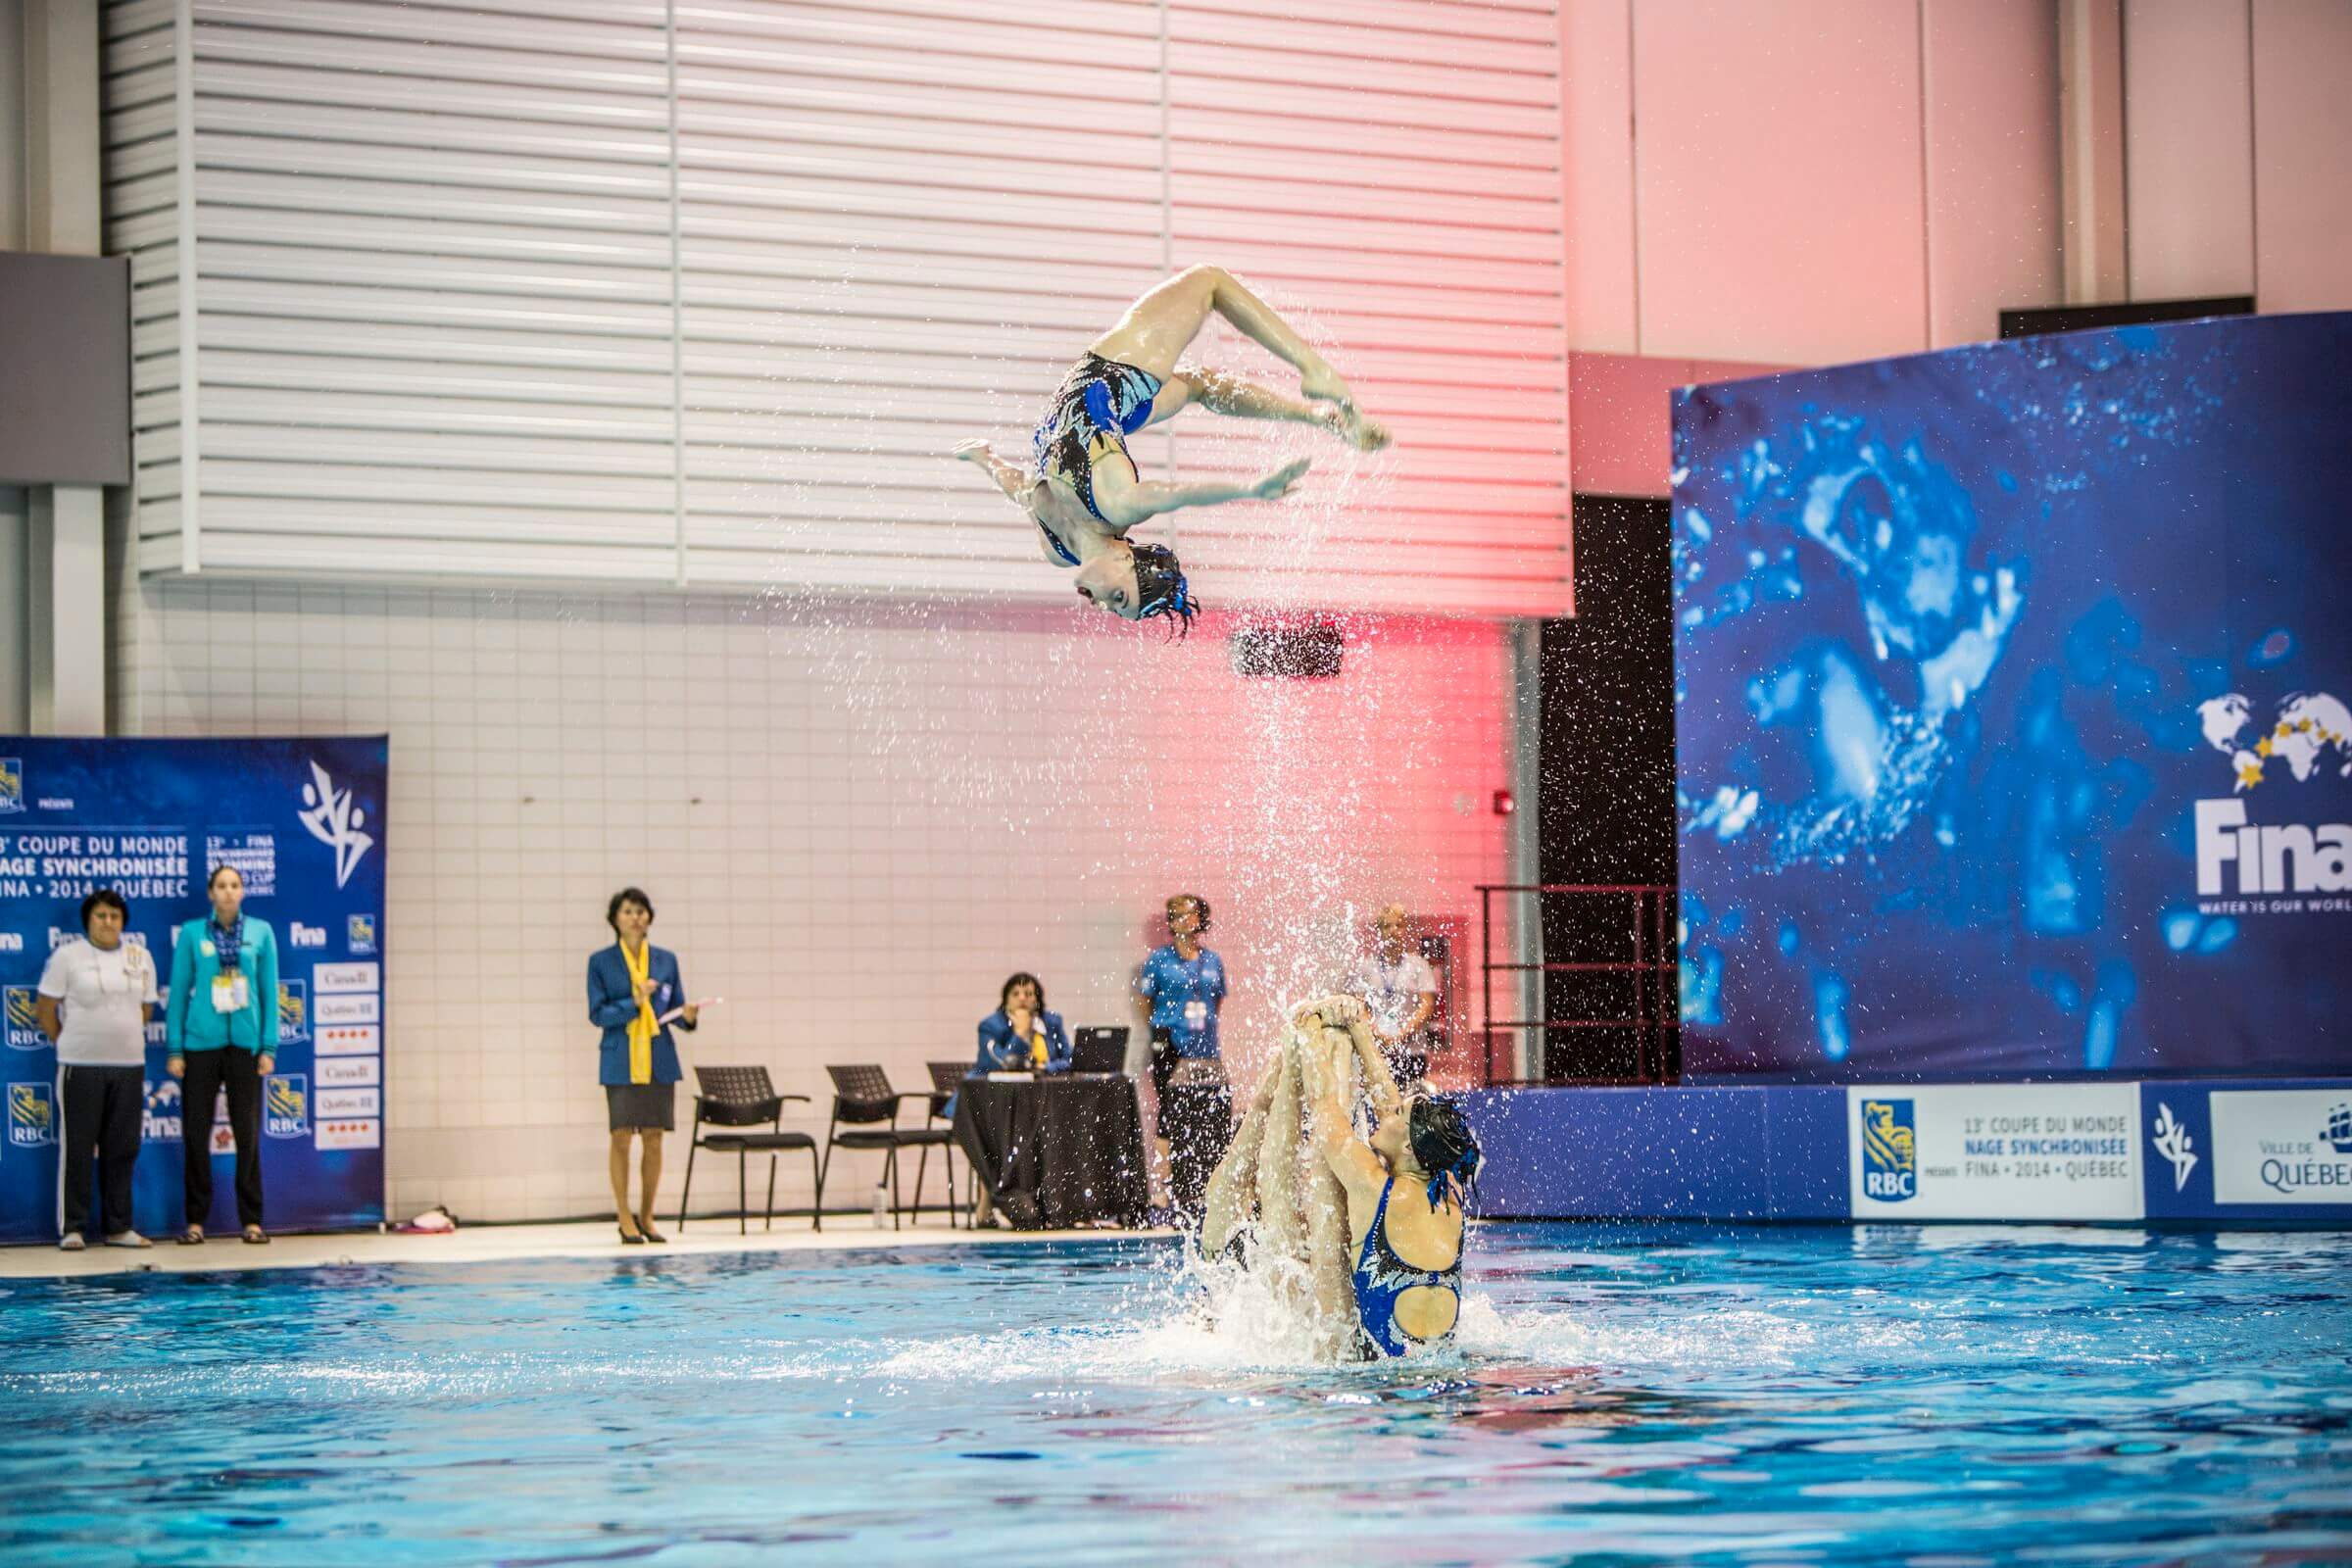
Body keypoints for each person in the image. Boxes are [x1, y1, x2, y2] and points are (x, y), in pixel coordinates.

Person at [953, 265, 1392, 628]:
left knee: (1200, 386)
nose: (1103, 605)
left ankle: (1318, 416)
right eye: (1119, 597)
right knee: (1210, 281)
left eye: (1114, 608)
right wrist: (1249, 490)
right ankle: (1314, 369)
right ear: (1126, 559)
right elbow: (1175, 494)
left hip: (1119, 410)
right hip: (1120, 374)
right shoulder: (1117, 504)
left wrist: (985, 459)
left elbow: (1024, 490)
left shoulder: (1058, 551)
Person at [163, 865, 279, 1245]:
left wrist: (268, 1046)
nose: (229, 891)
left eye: (235, 885)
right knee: (196, 1134)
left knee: (247, 1134)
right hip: (200, 1045)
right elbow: (178, 993)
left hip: (245, 1045)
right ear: (210, 893)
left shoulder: (260, 932)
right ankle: (195, 1222)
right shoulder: (193, 933)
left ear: (242, 892)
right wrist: (176, 1048)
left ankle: (252, 1221)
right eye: (221, 886)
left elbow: (270, 991)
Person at [37, 889, 160, 1250]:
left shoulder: (140, 957)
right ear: (88, 921)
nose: (108, 922)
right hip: (80, 1065)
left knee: (122, 1148)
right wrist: (66, 1041)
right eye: (101, 916)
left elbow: (146, 1009)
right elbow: (45, 1007)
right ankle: (73, 1227)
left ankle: (119, 1227)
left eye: (114, 916)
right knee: (77, 1147)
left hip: (129, 1065)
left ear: (123, 922)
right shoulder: (67, 956)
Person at [587, 887, 697, 1246]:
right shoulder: (601, 962)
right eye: (628, 911)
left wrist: (688, 1017)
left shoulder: (665, 961)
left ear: (649, 917)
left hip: (658, 1058)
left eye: (641, 911)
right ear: (615, 919)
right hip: (620, 1058)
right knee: (621, 1136)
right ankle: (624, 1217)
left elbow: (673, 1010)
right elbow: (597, 1014)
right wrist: (633, 1003)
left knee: (654, 1137)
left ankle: (647, 1216)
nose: (635, 917)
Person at [1136, 893, 1230, 1221]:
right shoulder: (1159, 960)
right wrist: (1162, 1030)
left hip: (1205, 1049)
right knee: (1169, 1114)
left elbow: (1216, 1001)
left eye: (1187, 913)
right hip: (1171, 1046)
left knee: (1206, 1115)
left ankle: (1201, 1184)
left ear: (1200, 918)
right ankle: (1162, 1188)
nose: (1180, 919)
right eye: (1174, 914)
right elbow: (1146, 1001)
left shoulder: (1213, 961)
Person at [1344, 904, 1441, 1089]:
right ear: (1379, 931)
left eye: (1398, 925)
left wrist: (1402, 1034)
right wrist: (1377, 1033)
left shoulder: (1419, 965)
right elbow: (1359, 1006)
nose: (1393, 931)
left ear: (1406, 929)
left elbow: (1427, 1006)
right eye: (1387, 926)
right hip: (1378, 1047)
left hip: (1412, 1049)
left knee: (1412, 1099)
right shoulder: (1367, 967)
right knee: (1380, 1097)